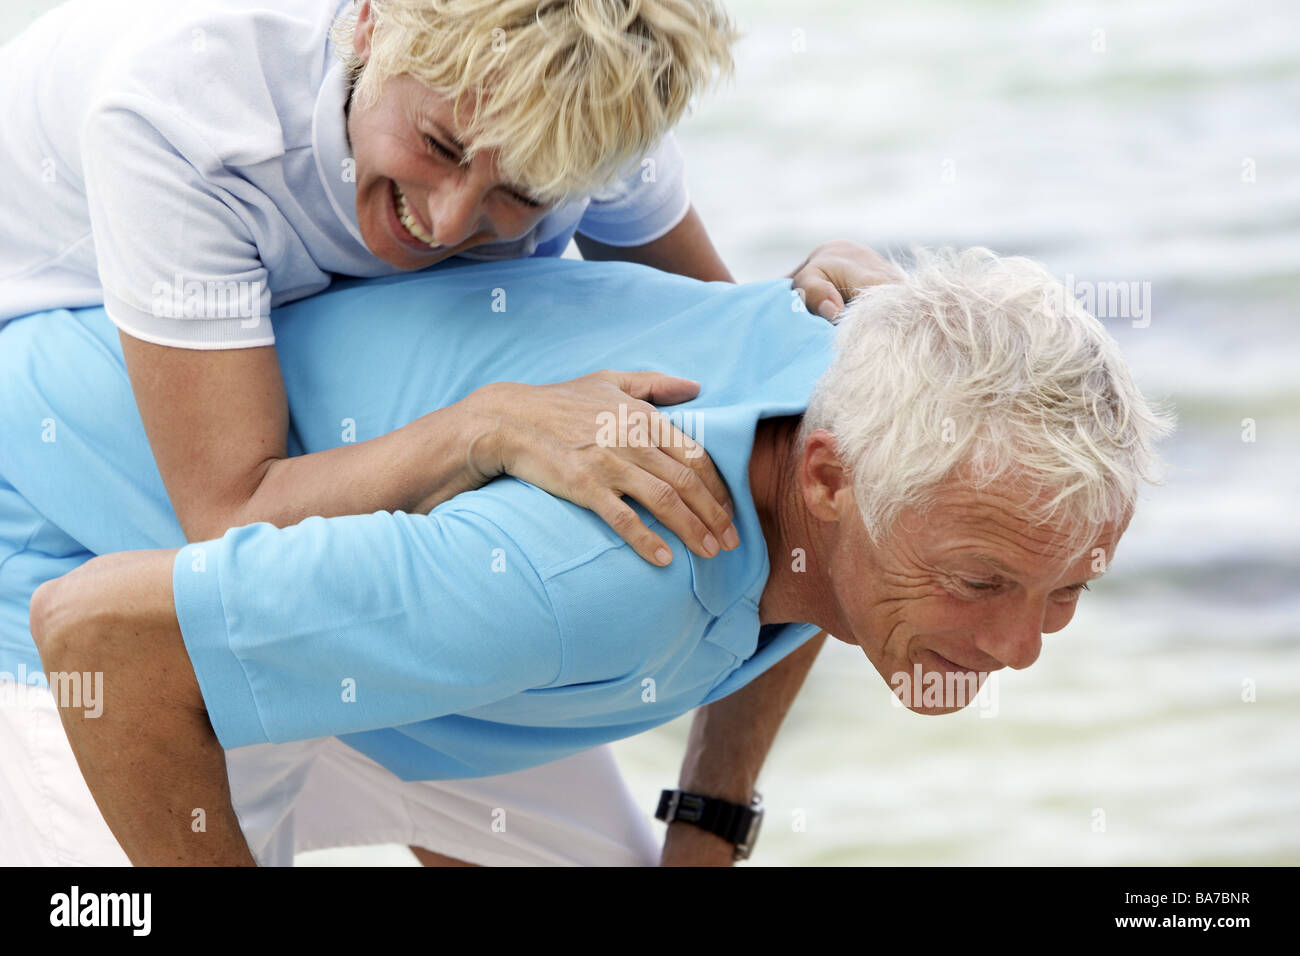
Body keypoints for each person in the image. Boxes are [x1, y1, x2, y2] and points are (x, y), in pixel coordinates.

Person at [0, 0, 894, 865]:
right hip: (78, 513)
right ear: (371, 27)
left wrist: (809, 314)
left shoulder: (579, 124)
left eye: (520, 195)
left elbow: (757, 415)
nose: (449, 220)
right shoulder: (185, 118)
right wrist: (489, 423)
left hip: (368, 559)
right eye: (439, 147)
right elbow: (231, 506)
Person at [25, 247, 1175, 865]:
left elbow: (831, 584)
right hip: (69, 582)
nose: (1019, 645)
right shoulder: (593, 580)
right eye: (981, 583)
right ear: (829, 478)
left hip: (385, 612)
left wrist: (707, 826)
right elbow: (101, 634)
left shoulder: (850, 371)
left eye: (1068, 586)